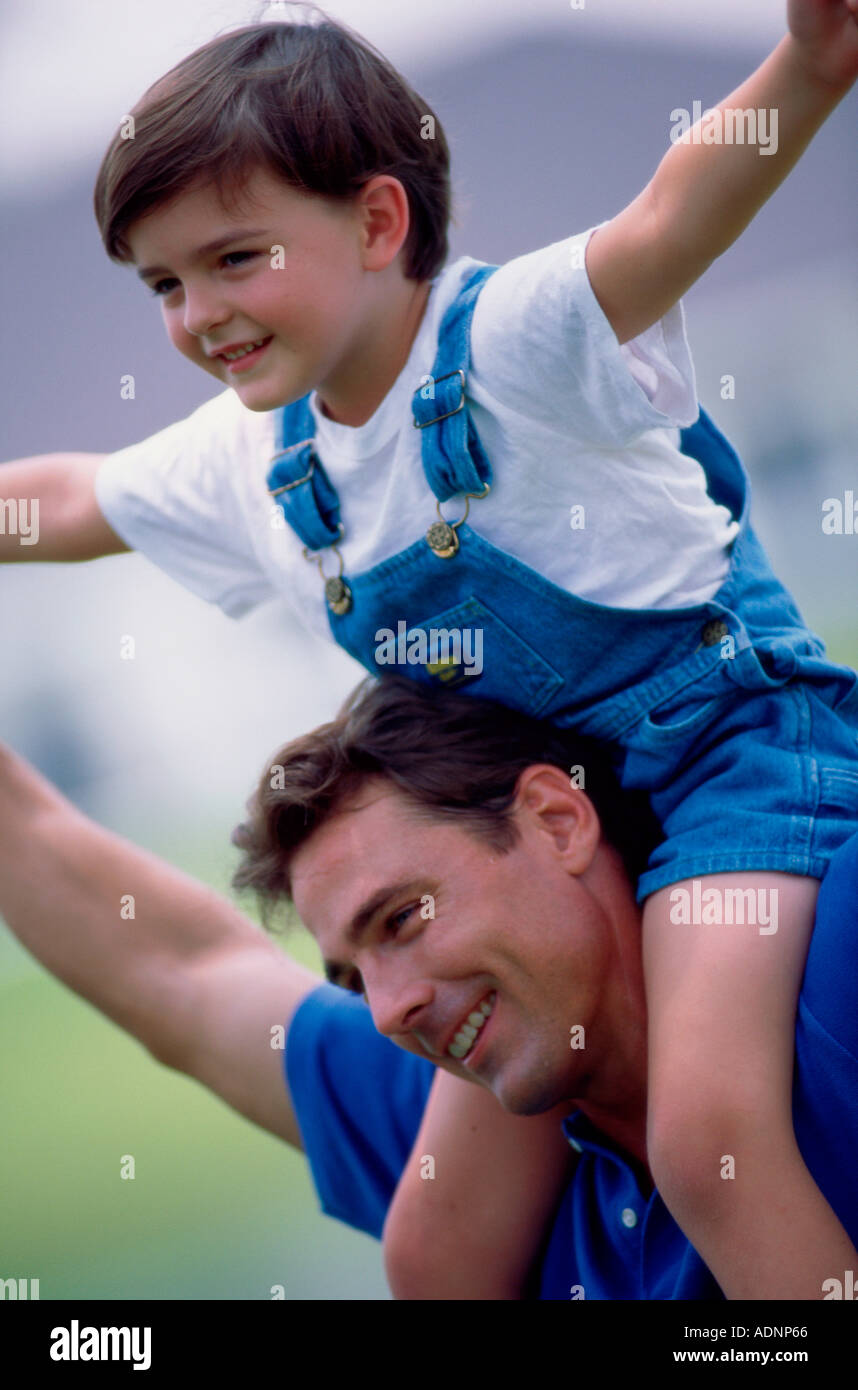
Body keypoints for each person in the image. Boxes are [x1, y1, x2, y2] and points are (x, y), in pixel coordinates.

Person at [2, 2, 858, 1298]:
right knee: (436, 1244)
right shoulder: (254, 461)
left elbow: (669, 218)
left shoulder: (515, 341)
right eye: (166, 284)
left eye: (234, 259)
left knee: (707, 1134)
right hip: (551, 819)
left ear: (378, 222)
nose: (198, 317)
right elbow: (68, 502)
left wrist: (805, 66)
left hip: (733, 759)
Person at [1, 675, 857, 1300]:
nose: (385, 1009)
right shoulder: (469, 1137)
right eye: (348, 975)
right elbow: (178, 971)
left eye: (403, 919)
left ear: (558, 821)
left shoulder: (829, 960)